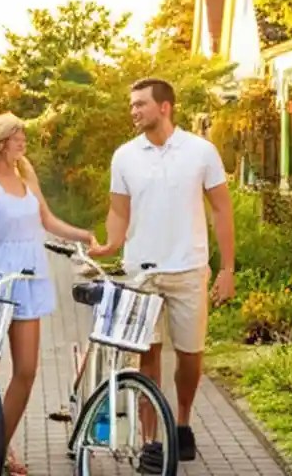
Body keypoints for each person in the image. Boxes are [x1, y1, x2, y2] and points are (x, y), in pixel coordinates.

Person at [89, 77, 236, 472]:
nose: (134, 110)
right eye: (132, 104)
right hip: (142, 274)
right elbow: (119, 210)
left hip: (189, 269)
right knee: (146, 359)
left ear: (165, 106)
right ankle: (151, 441)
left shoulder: (201, 151)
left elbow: (222, 209)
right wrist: (109, 244)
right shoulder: (124, 156)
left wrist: (227, 269)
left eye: (140, 104)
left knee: (190, 358)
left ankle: (183, 421)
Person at [0, 112, 96, 475]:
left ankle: (0, 448)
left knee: (27, 369)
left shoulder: (27, 177)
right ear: (0, 143)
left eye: (23, 137)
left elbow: (47, 221)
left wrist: (83, 235)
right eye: (17, 137)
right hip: (0, 276)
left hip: (30, 276)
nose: (23, 142)